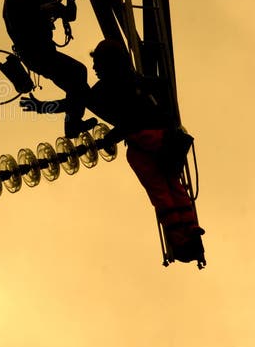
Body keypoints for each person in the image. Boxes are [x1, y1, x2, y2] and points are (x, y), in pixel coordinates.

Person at [86, 38, 205, 265]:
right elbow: (160, 84)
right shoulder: (133, 81)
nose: (94, 68)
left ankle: (180, 239)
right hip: (167, 140)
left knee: (161, 191)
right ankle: (191, 230)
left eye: (97, 63)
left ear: (107, 63)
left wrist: (110, 138)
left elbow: (130, 120)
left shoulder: (113, 87)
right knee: (175, 186)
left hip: (146, 142)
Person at [3, 0, 95, 138]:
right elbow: (13, 22)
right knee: (78, 73)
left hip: (45, 53)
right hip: (34, 53)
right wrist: (39, 12)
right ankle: (70, 124)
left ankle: (71, 125)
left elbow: (69, 14)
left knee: (76, 86)